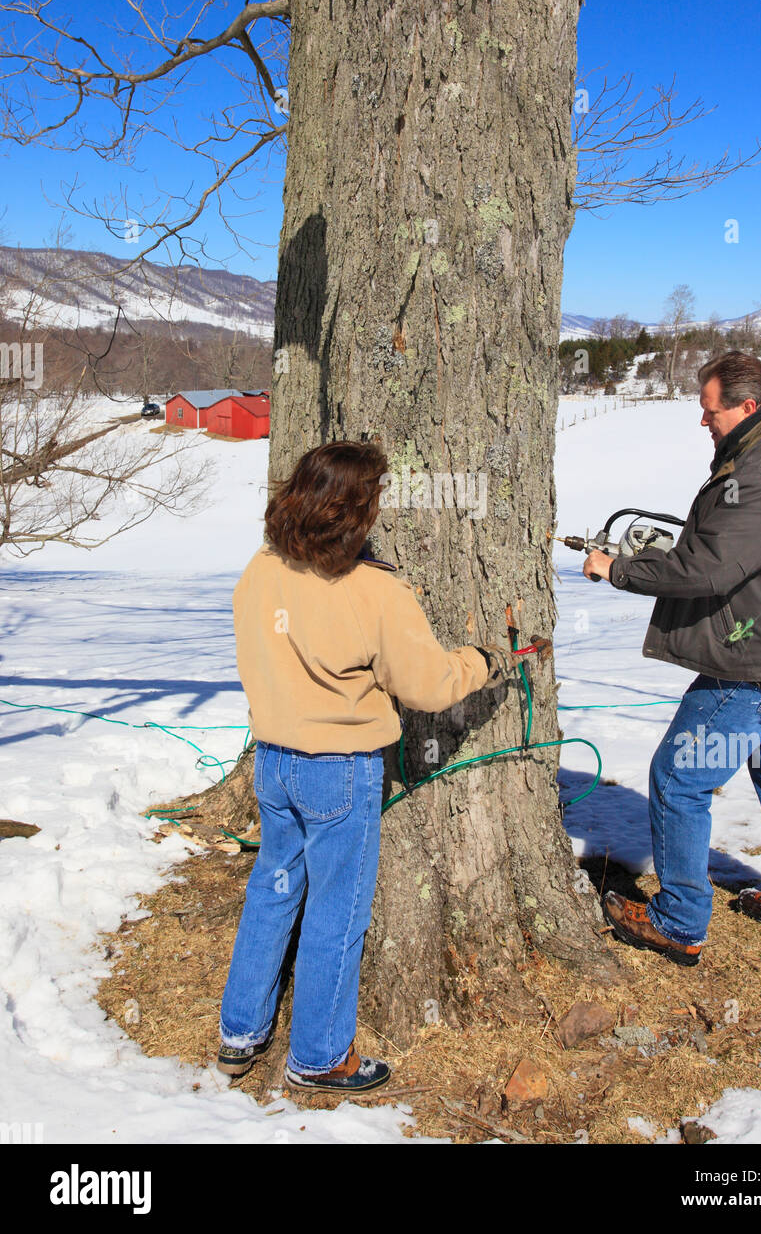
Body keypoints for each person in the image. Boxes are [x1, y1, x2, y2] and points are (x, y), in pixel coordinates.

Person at [217, 441, 519, 1090]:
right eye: (374, 498)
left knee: (273, 890)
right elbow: (431, 686)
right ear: (356, 511)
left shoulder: (262, 567)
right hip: (339, 770)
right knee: (338, 910)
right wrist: (484, 662)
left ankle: (241, 1030)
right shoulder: (373, 590)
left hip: (274, 761)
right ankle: (321, 1056)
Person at [582, 351, 761, 966]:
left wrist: (617, 568)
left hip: (753, 668)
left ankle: (679, 921)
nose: (704, 420)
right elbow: (728, 548)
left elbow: (710, 568)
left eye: (710, 410)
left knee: (678, 778)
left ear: (747, 406)